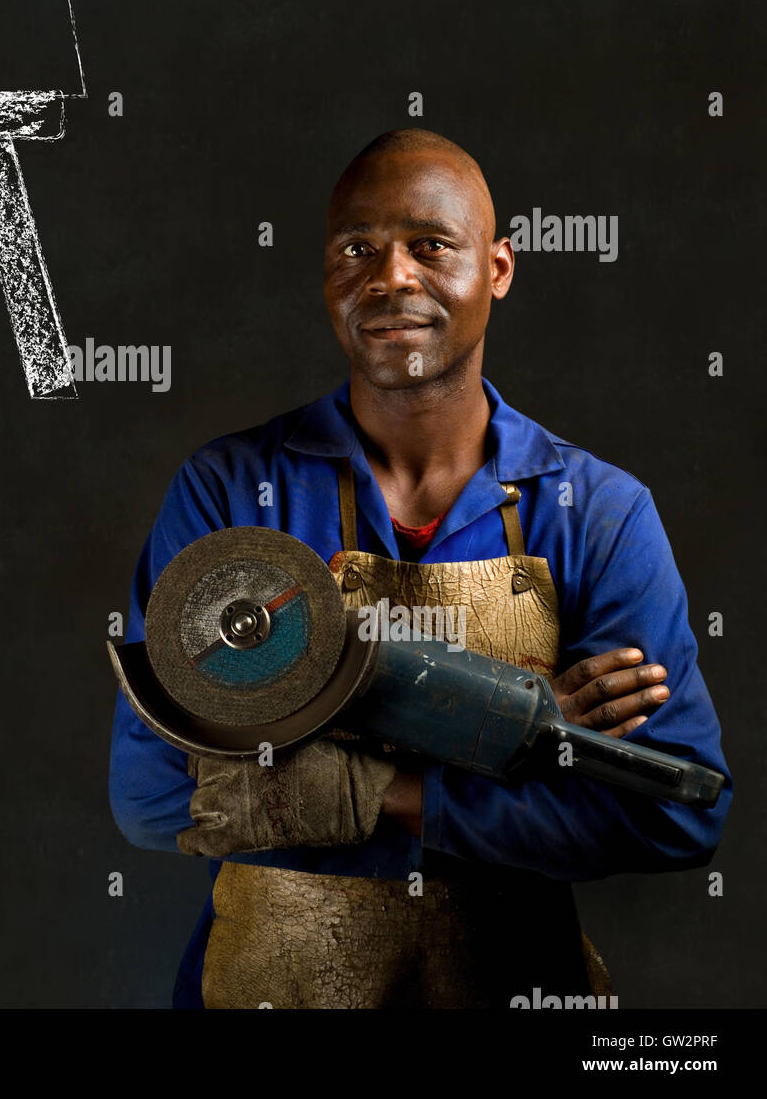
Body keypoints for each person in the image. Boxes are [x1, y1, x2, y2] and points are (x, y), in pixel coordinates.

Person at [108, 128, 731, 1009]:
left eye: (431, 246)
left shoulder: (597, 512)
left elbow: (676, 809)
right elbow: (154, 795)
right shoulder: (227, 491)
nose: (390, 276)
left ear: (500, 268)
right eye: (356, 248)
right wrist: (512, 736)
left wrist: (361, 785)